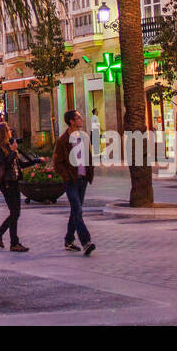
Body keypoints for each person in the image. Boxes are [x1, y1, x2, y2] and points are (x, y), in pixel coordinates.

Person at [53, 109, 96, 256]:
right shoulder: (63, 141)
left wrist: (90, 170)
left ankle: (69, 240)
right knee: (78, 210)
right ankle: (86, 242)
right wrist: (67, 176)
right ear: (71, 121)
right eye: (78, 117)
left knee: (75, 211)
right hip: (71, 181)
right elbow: (57, 163)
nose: (81, 119)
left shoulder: (83, 137)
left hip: (82, 179)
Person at [0, 122, 30, 253]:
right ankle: (12, 241)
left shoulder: (8, 147)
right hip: (6, 184)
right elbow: (5, 165)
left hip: (14, 182)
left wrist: (36, 161)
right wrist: (12, 151)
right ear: (3, 133)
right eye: (8, 130)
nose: (10, 132)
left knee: (16, 212)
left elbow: (19, 165)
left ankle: (3, 235)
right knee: (15, 212)